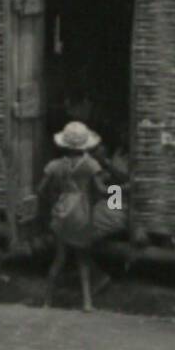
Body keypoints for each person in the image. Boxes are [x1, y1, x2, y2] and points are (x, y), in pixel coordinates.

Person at [37, 121, 110, 311]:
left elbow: (40, 190)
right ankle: (87, 302)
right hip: (82, 214)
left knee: (59, 259)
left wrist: (55, 200)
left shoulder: (54, 166)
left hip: (61, 213)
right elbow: (102, 191)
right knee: (83, 259)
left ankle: (47, 301)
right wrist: (120, 190)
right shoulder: (91, 165)